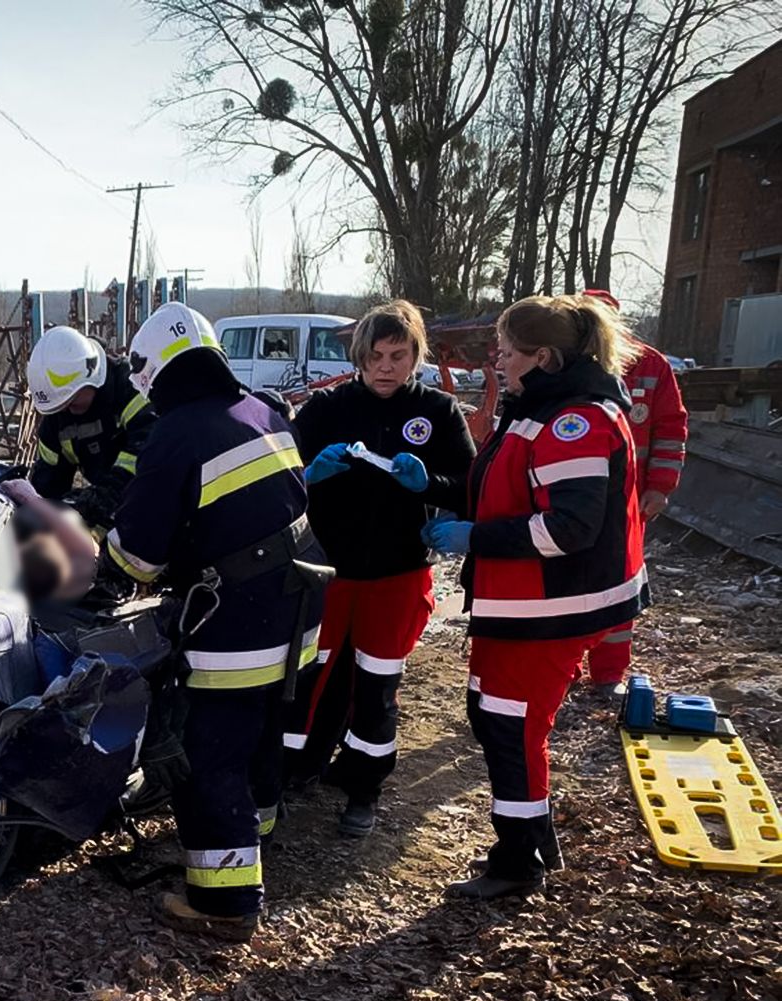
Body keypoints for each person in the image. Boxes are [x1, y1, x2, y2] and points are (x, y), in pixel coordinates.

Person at [99, 302, 328, 942]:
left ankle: (225, 901)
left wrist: (104, 551)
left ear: (153, 375)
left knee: (208, 752)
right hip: (300, 603)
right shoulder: (263, 411)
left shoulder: (176, 433)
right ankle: (253, 835)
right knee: (260, 732)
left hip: (240, 618)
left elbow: (139, 557)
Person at [422, 294, 647, 899]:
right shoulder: (539, 408)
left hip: (551, 606)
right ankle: (536, 835)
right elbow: (503, 491)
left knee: (512, 726)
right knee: (491, 715)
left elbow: (569, 529)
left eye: (506, 348)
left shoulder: (575, 420)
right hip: (521, 603)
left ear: (541, 356)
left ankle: (518, 862)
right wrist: (443, 492)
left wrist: (477, 537)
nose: (497, 357)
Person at [283, 300, 477, 838]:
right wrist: (310, 474)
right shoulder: (326, 408)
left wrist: (430, 487)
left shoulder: (438, 412)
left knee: (377, 687)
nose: (385, 367)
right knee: (307, 677)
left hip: (397, 573)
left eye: (398, 355)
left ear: (416, 354)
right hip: (325, 572)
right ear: (359, 358)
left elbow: (470, 487)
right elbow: (279, 482)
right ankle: (294, 768)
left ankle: (364, 787)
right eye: (374, 357)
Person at [579, 289, 688, 689]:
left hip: (627, 504)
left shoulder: (649, 365)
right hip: (573, 500)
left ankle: (608, 672)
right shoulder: (562, 362)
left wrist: (660, 487)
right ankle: (568, 662)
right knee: (568, 582)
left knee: (619, 585)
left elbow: (671, 429)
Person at [25, 324, 156, 529]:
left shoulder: (128, 386)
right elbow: (49, 484)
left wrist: (108, 491)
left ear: (92, 377)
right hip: (109, 512)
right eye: (60, 405)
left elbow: (150, 447)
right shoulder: (56, 418)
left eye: (71, 399)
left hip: (153, 501)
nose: (66, 410)